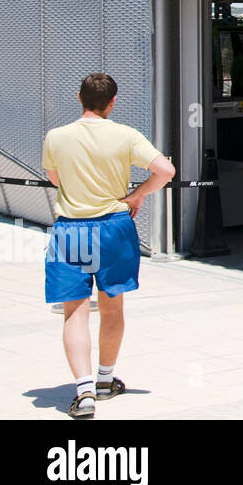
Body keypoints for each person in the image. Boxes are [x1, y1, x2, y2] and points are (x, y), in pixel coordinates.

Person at [43, 73, 176, 420]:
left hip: (72, 228)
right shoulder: (126, 135)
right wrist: (137, 195)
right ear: (112, 102)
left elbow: (55, 179)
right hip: (114, 227)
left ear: (79, 97)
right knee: (112, 307)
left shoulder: (56, 137)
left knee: (74, 311)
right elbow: (165, 170)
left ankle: (83, 391)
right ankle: (105, 381)